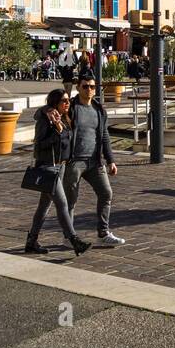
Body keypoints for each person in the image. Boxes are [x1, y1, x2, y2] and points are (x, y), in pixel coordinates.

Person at [25, 89, 90, 256]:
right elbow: (40, 144)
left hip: (61, 167)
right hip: (48, 166)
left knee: (44, 206)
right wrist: (56, 131)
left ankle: (31, 242)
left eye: (68, 100)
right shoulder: (46, 120)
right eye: (63, 101)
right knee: (62, 203)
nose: (67, 103)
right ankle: (74, 240)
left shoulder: (65, 117)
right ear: (54, 103)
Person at [63, 76, 124, 247]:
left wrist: (111, 160)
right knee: (70, 200)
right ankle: (69, 236)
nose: (88, 90)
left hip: (94, 161)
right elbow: (47, 111)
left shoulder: (99, 109)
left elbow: (104, 136)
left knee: (106, 193)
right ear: (78, 87)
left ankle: (103, 233)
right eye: (85, 86)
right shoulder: (71, 107)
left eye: (91, 87)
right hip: (74, 162)